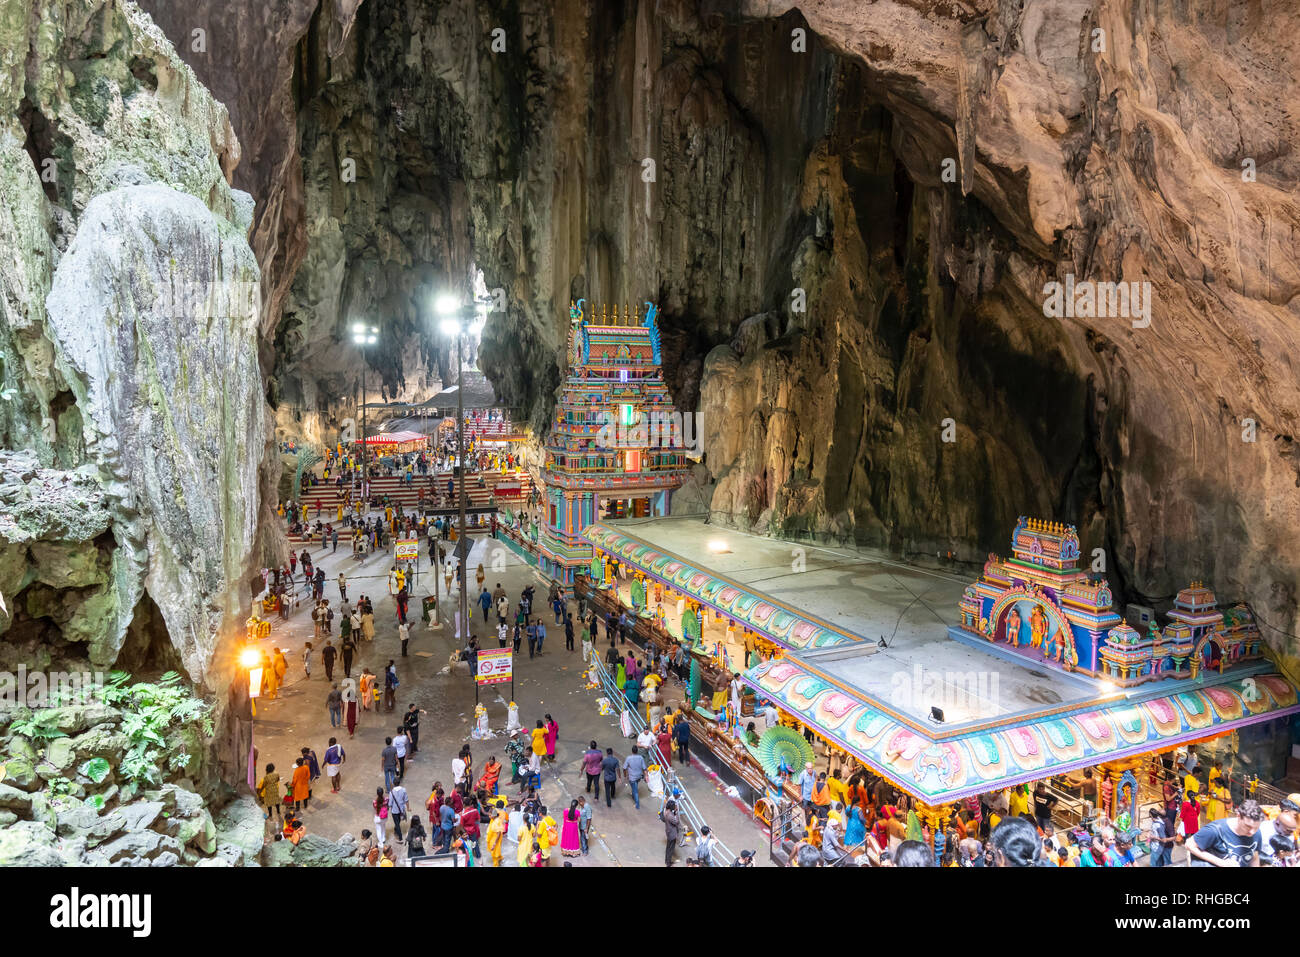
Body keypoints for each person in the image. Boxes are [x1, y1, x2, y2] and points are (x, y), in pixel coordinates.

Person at [1189, 798, 1264, 866]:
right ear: (1238, 816)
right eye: (1248, 826)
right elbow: (1189, 844)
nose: (1252, 832)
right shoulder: (1215, 830)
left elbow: (1254, 855)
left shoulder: (1256, 833)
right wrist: (1221, 863)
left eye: (1256, 827)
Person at [623, 745, 647, 810]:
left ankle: (637, 805)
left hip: (632, 777)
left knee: (635, 790)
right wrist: (646, 776)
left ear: (632, 751)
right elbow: (644, 768)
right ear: (637, 751)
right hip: (639, 776)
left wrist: (625, 776)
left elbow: (624, 768)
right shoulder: (641, 757)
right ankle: (633, 794)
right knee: (635, 786)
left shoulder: (628, 758)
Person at [661, 799, 680, 866]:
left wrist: (674, 812)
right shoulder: (670, 815)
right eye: (674, 806)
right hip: (672, 833)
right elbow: (676, 822)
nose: (675, 807)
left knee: (668, 847)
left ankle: (667, 860)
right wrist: (676, 813)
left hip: (668, 831)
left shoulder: (666, 811)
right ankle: (668, 863)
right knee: (671, 849)